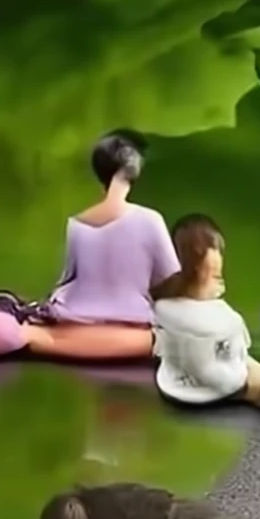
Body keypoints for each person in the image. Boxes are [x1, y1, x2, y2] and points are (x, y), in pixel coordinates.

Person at [20, 131, 181, 359]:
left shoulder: (76, 223)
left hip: (73, 320)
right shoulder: (149, 219)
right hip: (130, 326)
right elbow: (172, 280)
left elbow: (68, 278)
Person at [152, 214, 260, 406]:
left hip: (221, 371)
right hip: (210, 387)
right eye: (214, 277)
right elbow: (212, 374)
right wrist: (249, 383)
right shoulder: (195, 323)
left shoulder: (165, 307)